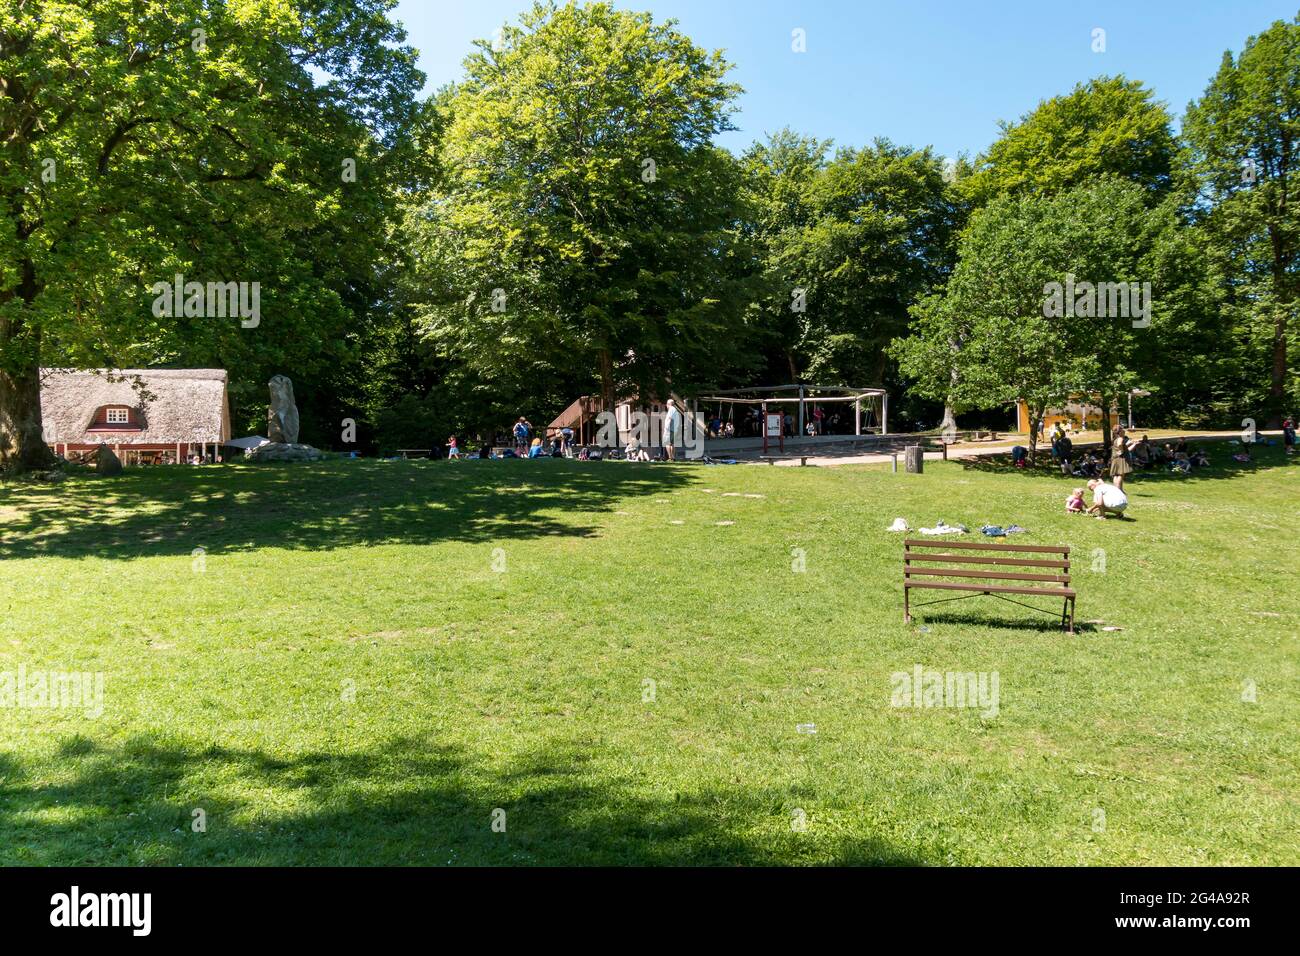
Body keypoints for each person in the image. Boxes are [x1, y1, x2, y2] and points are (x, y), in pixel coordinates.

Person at [1108, 426, 1133, 490]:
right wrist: (1121, 450)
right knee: (1120, 475)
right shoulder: (1120, 438)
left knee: (1115, 475)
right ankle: (1119, 491)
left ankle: (1118, 490)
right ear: (1120, 432)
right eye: (1122, 430)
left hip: (1115, 458)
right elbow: (1119, 445)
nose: (1124, 431)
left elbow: (1124, 448)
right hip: (1120, 458)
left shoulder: (1115, 439)